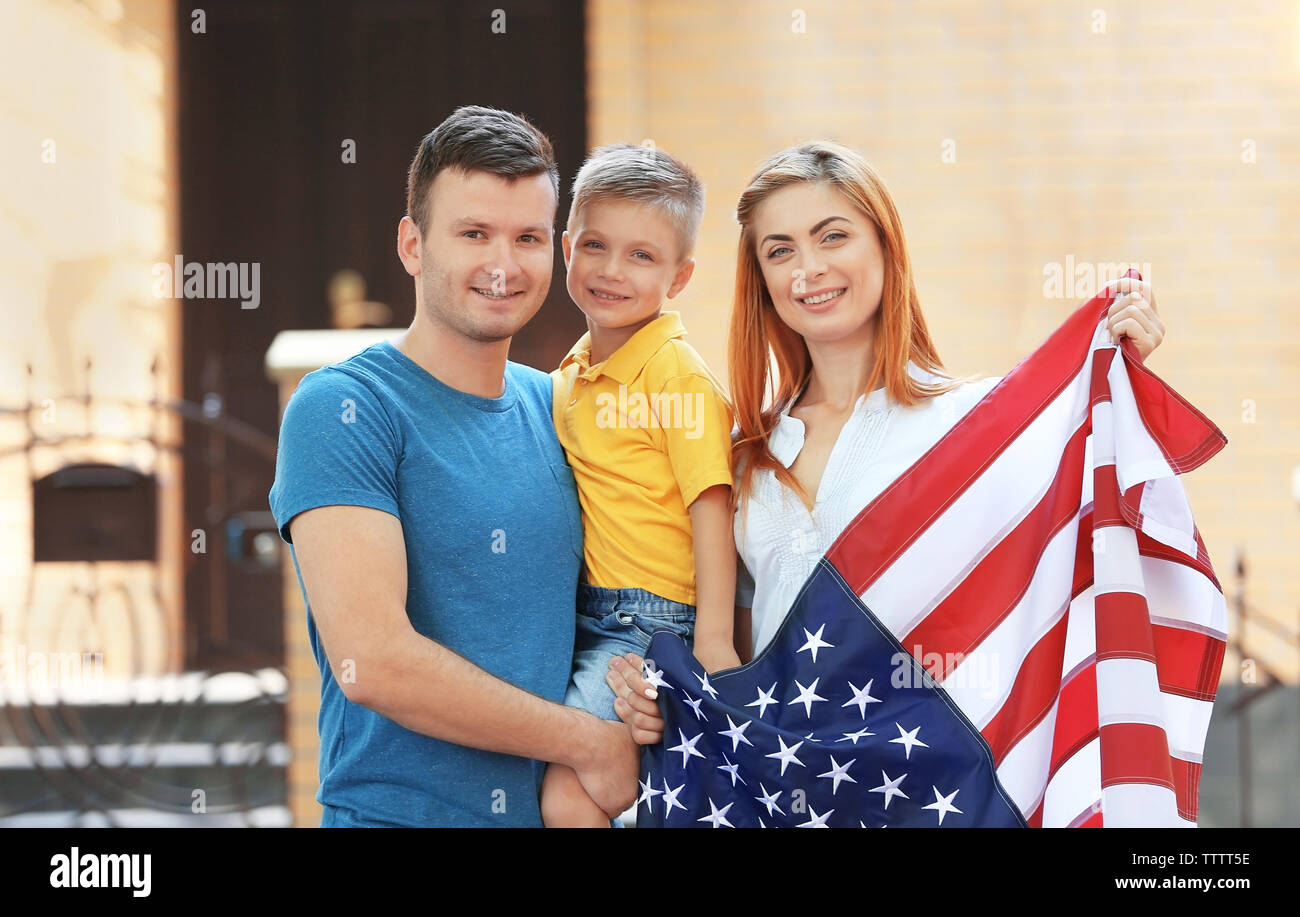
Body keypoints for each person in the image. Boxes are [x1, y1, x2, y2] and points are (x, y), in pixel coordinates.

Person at [605, 140, 1167, 751]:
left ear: (884, 244)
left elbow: (1079, 539)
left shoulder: (971, 426)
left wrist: (1116, 375)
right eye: (780, 251)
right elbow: (734, 664)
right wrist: (660, 703)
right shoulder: (744, 458)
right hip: (791, 791)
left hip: (928, 786)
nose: (808, 268)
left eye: (833, 236)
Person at [268, 106, 639, 827]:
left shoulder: (561, 407)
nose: (503, 265)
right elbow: (373, 660)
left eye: (527, 237)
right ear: (412, 244)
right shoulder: (345, 408)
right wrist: (588, 742)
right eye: (473, 233)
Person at [539, 144, 739, 827]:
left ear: (679, 277)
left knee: (568, 791)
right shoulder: (569, 374)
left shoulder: (676, 375)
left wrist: (713, 639)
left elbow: (710, 502)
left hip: (651, 623)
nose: (612, 271)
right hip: (586, 616)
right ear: (568, 247)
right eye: (596, 245)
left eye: (642, 256)